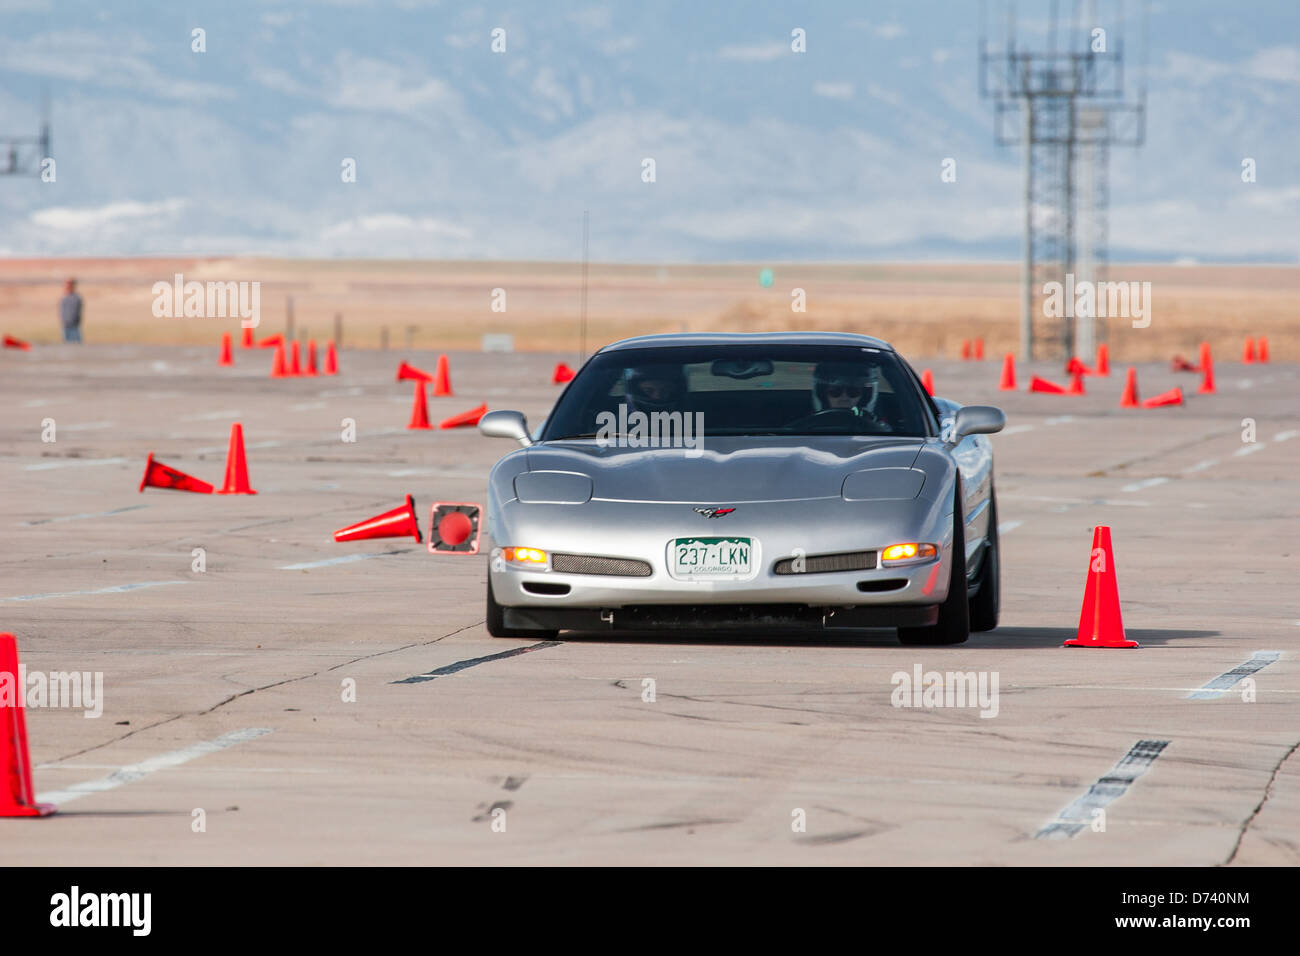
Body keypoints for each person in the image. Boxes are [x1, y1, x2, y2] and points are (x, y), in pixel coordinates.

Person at [59, 278, 83, 343]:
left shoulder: (76, 298)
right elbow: (62, 311)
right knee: (67, 344)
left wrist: (73, 321)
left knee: (77, 344)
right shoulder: (64, 298)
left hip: (74, 326)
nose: (66, 287)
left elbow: (76, 312)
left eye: (68, 285)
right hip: (66, 325)